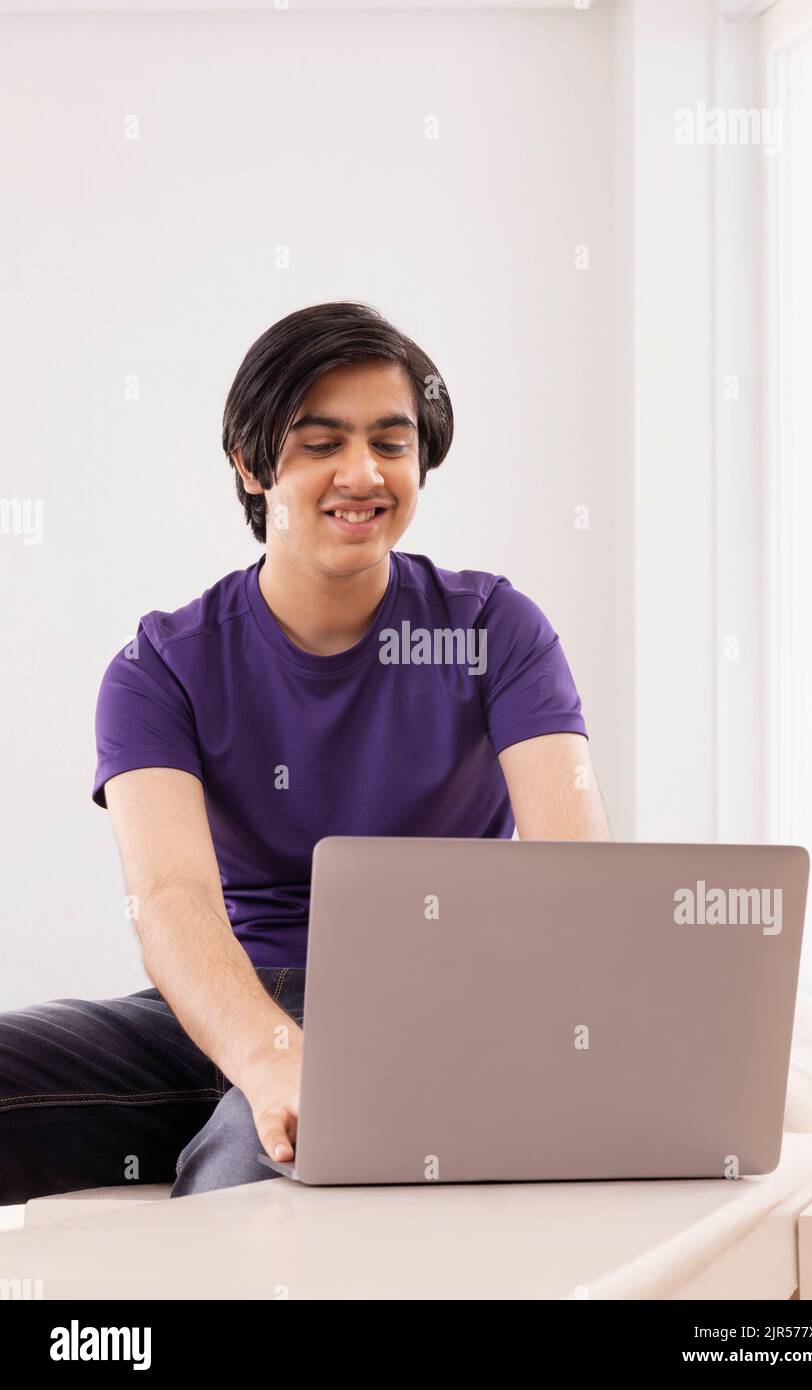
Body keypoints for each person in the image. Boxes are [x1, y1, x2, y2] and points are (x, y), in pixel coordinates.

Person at [0, 301, 610, 1204]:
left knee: (261, 1160)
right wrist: (263, 1050)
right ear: (250, 465)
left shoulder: (494, 630)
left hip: (414, 1011)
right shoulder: (160, 664)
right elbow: (169, 898)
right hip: (216, 1007)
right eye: (320, 443)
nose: (360, 473)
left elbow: (576, 877)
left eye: (390, 444)